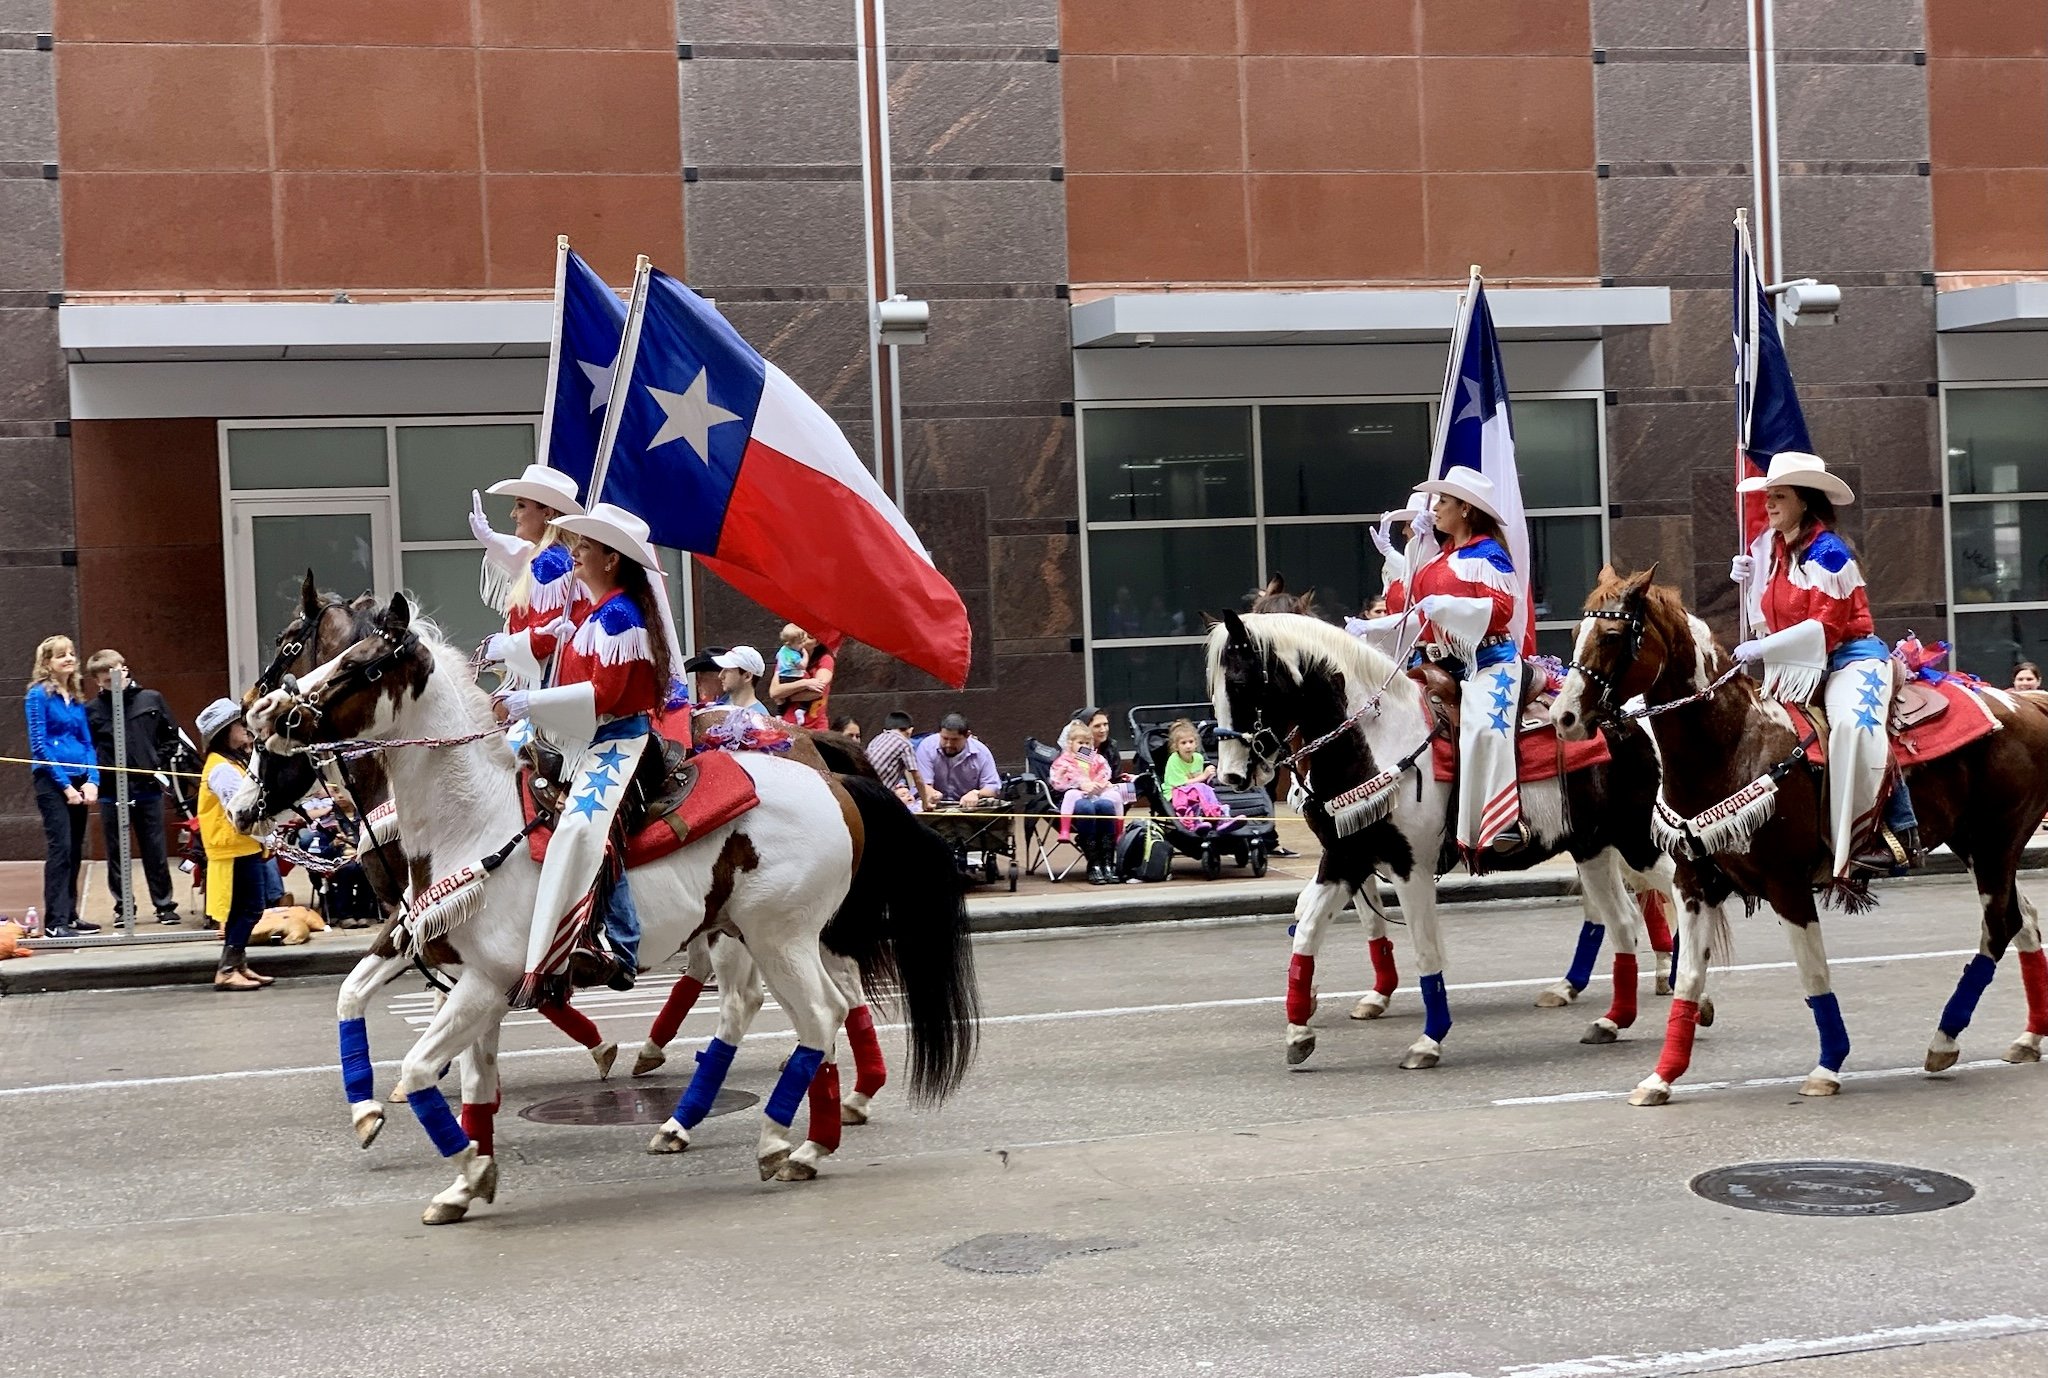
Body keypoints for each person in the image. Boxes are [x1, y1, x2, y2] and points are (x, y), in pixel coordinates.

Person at [495, 502, 686, 997]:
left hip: (620, 740)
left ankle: (619, 947)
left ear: (611, 560)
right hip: (585, 739)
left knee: (583, 827)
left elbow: (603, 697)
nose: (574, 551)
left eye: (586, 546)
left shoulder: (620, 617)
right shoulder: (596, 614)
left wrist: (531, 704)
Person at [1731, 451, 1918, 877]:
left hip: (1851, 657)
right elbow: (1768, 620)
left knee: (1854, 727)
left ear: (1804, 500)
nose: (1769, 504)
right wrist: (1748, 587)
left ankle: (1895, 831)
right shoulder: (1781, 549)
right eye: (1768, 496)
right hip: (1803, 664)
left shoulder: (1828, 552)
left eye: (1778, 496)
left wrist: (1763, 651)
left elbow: (1825, 627)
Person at [1406, 471, 1524, 855]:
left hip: (1490, 662)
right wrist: (1414, 548)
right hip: (1442, 664)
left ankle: (1506, 822)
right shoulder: (1439, 559)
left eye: (1442, 502)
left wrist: (1450, 608)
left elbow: (1502, 610)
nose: (1435, 508)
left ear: (1466, 508)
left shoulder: (1487, 553)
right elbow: (1412, 605)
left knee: (1486, 730)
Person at [83, 650, 181, 924]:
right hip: (111, 790)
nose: (111, 685)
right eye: (104, 682)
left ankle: (164, 905)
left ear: (125, 670)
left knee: (155, 849)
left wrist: (155, 763)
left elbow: (170, 736)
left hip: (146, 787)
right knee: (116, 851)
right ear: (97, 682)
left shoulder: (151, 699)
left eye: (114, 676)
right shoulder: (92, 711)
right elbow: (89, 747)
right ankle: (123, 907)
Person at [471, 465, 589, 690]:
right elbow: (519, 553)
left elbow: (546, 637)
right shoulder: (558, 555)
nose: (513, 514)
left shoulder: (550, 562)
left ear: (547, 513)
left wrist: (507, 646)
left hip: (551, 681)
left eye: (521, 506)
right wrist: (491, 539)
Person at [195, 697, 276, 991]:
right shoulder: (222, 769)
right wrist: (269, 837)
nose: (246, 729)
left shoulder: (231, 763)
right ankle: (228, 968)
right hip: (234, 850)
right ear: (224, 732)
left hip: (241, 848)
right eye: (240, 725)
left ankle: (237, 964)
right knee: (250, 909)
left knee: (244, 909)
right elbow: (239, 812)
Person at [25, 636, 100, 937]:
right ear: (47, 663)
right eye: (60, 656)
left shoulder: (76, 695)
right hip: (52, 781)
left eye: (71, 654)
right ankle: (55, 921)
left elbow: (87, 742)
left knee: (75, 851)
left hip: (81, 778)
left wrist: (93, 781)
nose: (69, 659)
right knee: (61, 848)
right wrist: (66, 786)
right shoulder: (37, 696)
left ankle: (70, 914)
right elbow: (40, 745)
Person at [1051, 718, 1123, 883]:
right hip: (1074, 797)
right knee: (1085, 807)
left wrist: (1099, 783)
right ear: (1070, 744)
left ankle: (1107, 862)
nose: (1084, 747)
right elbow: (1057, 781)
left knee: (1106, 804)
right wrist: (1080, 784)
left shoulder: (1094, 758)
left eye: (1088, 743)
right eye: (1080, 743)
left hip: (1097, 795)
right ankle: (1094, 863)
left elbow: (1105, 772)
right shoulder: (1064, 760)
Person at [915, 712, 1001, 810]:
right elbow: (923, 784)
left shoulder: (981, 752)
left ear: (967, 735)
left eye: (954, 740)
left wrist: (976, 793)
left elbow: (993, 788)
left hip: (967, 809)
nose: (948, 744)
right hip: (934, 808)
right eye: (945, 738)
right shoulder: (927, 747)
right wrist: (931, 793)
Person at [1163, 718, 1236, 833]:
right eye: (1183, 743)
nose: (1188, 746)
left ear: (1196, 743)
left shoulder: (1198, 758)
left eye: (1191, 742)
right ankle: (1211, 817)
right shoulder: (1174, 760)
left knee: (1206, 788)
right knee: (1201, 788)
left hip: (1194, 793)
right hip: (1175, 793)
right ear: (1176, 746)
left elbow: (1199, 782)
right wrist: (1203, 776)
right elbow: (1181, 784)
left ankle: (1219, 818)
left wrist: (1208, 776)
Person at [866, 710, 932, 811]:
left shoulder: (877, 738)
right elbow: (917, 777)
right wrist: (925, 803)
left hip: (863, 790)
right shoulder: (904, 743)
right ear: (910, 730)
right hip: (879, 794)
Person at [769, 629, 834, 728]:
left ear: (817, 643)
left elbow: (818, 690)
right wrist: (804, 683)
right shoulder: (786, 657)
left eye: (809, 637)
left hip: (815, 728)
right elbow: (774, 692)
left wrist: (785, 696)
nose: (803, 640)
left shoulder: (825, 659)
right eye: (801, 636)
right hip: (788, 726)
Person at [709, 646, 772, 717]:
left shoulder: (758, 718)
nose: (720, 676)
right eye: (723, 669)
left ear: (747, 676)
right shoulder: (723, 706)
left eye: (728, 670)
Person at [774, 624, 806, 693]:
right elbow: (802, 666)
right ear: (789, 644)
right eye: (800, 643)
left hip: (781, 677)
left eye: (803, 641)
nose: (803, 644)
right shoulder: (795, 655)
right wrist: (806, 655)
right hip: (793, 677)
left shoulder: (782, 649)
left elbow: (777, 657)